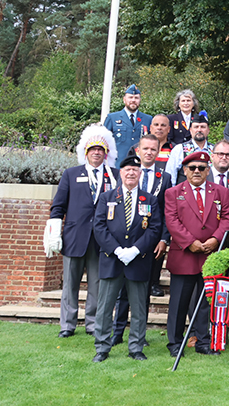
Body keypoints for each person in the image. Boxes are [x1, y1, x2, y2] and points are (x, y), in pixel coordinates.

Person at [90, 150, 162, 362]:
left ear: (141, 173)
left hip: (138, 261)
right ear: (120, 173)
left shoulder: (149, 200)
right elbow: (99, 227)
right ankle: (102, 347)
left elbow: (154, 229)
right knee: (104, 308)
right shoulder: (107, 198)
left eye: (135, 169)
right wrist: (117, 250)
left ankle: (136, 347)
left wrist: (136, 250)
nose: (131, 173)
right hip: (112, 260)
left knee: (139, 308)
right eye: (127, 169)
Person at [48, 124, 118, 338]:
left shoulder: (115, 176)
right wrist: (54, 232)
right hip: (74, 237)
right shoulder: (71, 174)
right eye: (92, 149)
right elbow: (58, 205)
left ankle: (92, 323)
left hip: (101, 240)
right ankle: (67, 325)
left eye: (100, 149)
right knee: (70, 284)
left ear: (106, 153)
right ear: (85, 152)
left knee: (96, 285)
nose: (96, 152)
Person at [164, 149, 229, 356]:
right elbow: (172, 221)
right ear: (185, 170)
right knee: (179, 303)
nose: (197, 171)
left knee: (205, 303)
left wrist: (215, 239)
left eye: (201, 168)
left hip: (209, 256)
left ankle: (203, 342)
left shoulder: (220, 191)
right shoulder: (173, 193)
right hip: (184, 254)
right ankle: (175, 344)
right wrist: (190, 242)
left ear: (207, 170)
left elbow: (228, 217)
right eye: (192, 168)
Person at [110, 135, 171, 346]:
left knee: (142, 292)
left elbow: (165, 212)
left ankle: (139, 335)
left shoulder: (165, 177)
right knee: (121, 292)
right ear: (138, 150)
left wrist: (164, 239)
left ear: (158, 151)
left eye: (153, 149)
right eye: (145, 148)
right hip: (124, 243)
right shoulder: (126, 173)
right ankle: (117, 333)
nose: (149, 152)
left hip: (150, 243)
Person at [103, 84, 152, 164]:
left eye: (136, 98)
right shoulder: (112, 118)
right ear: (124, 99)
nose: (133, 100)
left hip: (140, 166)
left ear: (140, 100)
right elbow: (104, 142)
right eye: (130, 97)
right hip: (118, 165)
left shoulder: (148, 119)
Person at [166, 112, 213, 185]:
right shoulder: (179, 149)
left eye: (203, 127)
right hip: (184, 193)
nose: (199, 130)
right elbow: (170, 176)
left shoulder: (215, 150)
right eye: (196, 127)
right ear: (190, 130)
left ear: (208, 130)